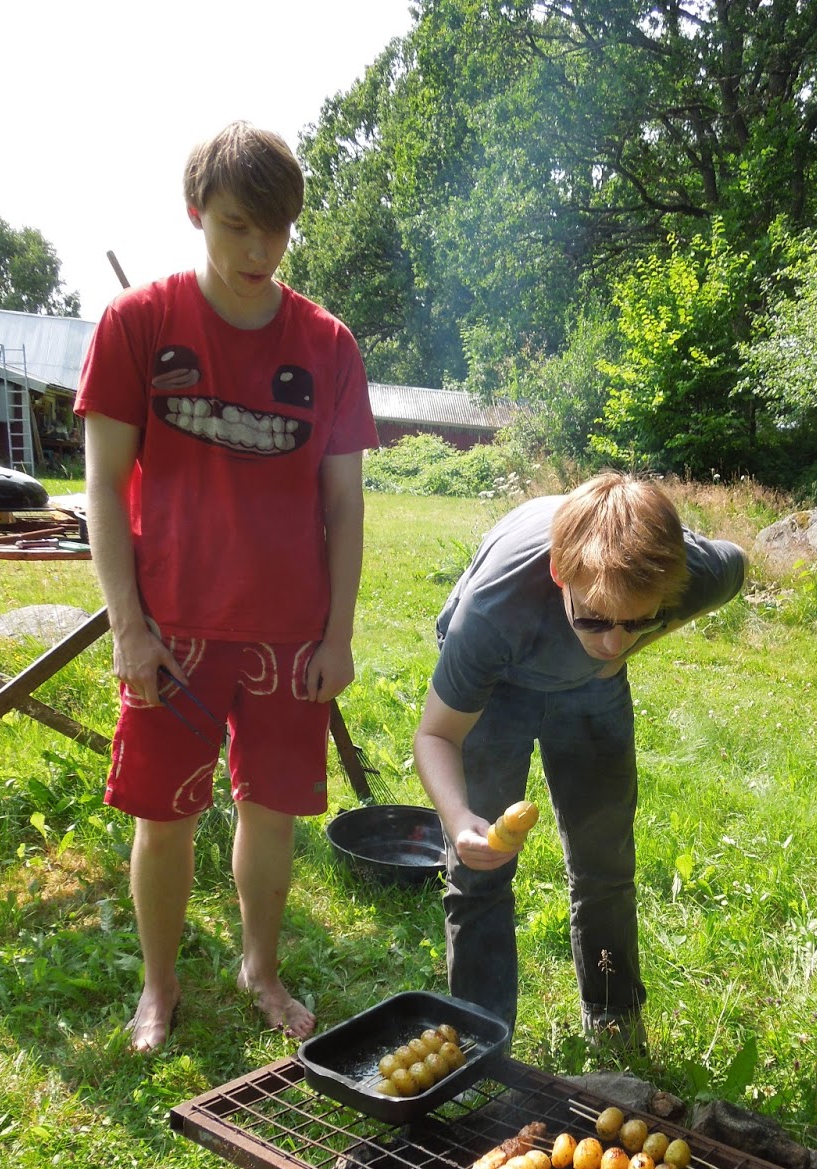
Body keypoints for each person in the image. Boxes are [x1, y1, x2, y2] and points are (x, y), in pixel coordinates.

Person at [76, 122, 379, 1052]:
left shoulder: (327, 344)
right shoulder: (140, 325)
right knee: (163, 820)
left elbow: (345, 505)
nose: (260, 250)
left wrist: (337, 635)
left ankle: (261, 965)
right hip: (174, 628)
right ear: (195, 212)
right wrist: (127, 626)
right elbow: (99, 486)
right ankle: (158, 987)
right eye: (240, 225)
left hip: (289, 633)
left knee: (272, 812)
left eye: (278, 228)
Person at [414, 471, 745, 1050]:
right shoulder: (493, 612)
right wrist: (458, 819)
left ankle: (613, 1015)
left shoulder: (691, 573)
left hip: (587, 692)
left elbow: (737, 562)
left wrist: (624, 649)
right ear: (559, 576)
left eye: (638, 619)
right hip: (499, 684)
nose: (613, 641)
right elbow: (436, 735)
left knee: (605, 861)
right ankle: (479, 1040)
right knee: (481, 870)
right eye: (594, 617)